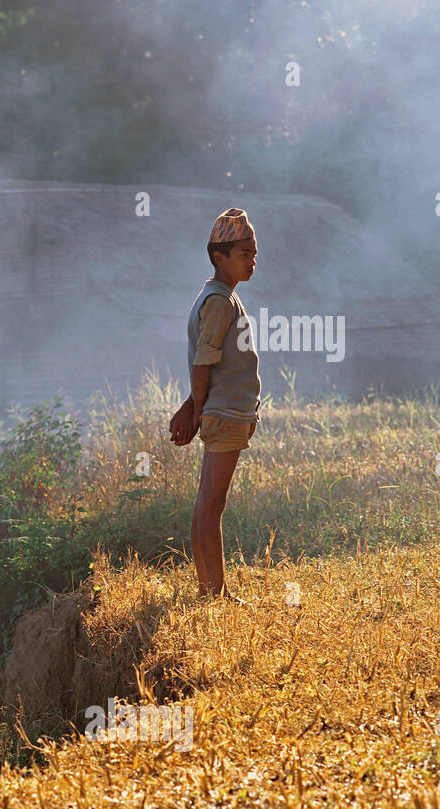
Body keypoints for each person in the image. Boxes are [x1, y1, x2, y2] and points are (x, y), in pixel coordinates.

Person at [168, 208, 261, 602]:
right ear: (219, 257)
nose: (252, 261)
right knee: (211, 506)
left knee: (206, 504)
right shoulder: (220, 302)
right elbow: (203, 362)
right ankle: (215, 593)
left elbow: (208, 362)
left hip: (222, 411)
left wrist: (193, 405)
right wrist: (197, 410)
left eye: (254, 253)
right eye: (244, 254)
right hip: (224, 413)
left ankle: (207, 589)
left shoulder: (217, 298)